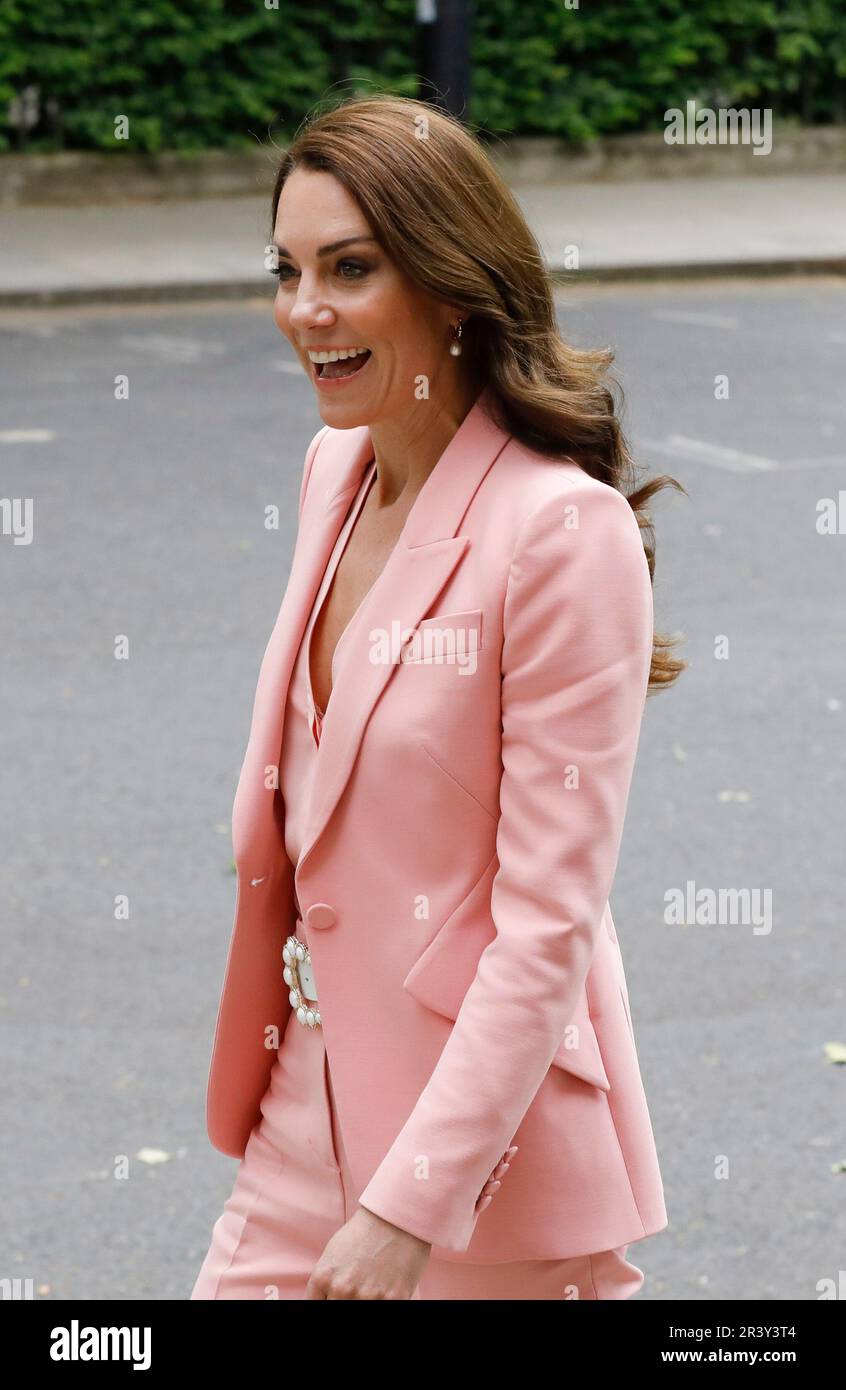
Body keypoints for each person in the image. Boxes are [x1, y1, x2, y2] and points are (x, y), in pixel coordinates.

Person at [191, 93, 686, 1302]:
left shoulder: (560, 530)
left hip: (483, 1160)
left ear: (451, 282)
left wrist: (410, 1206)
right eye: (289, 269)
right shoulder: (334, 471)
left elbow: (549, 919)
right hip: (305, 1108)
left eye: (350, 269)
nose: (305, 310)